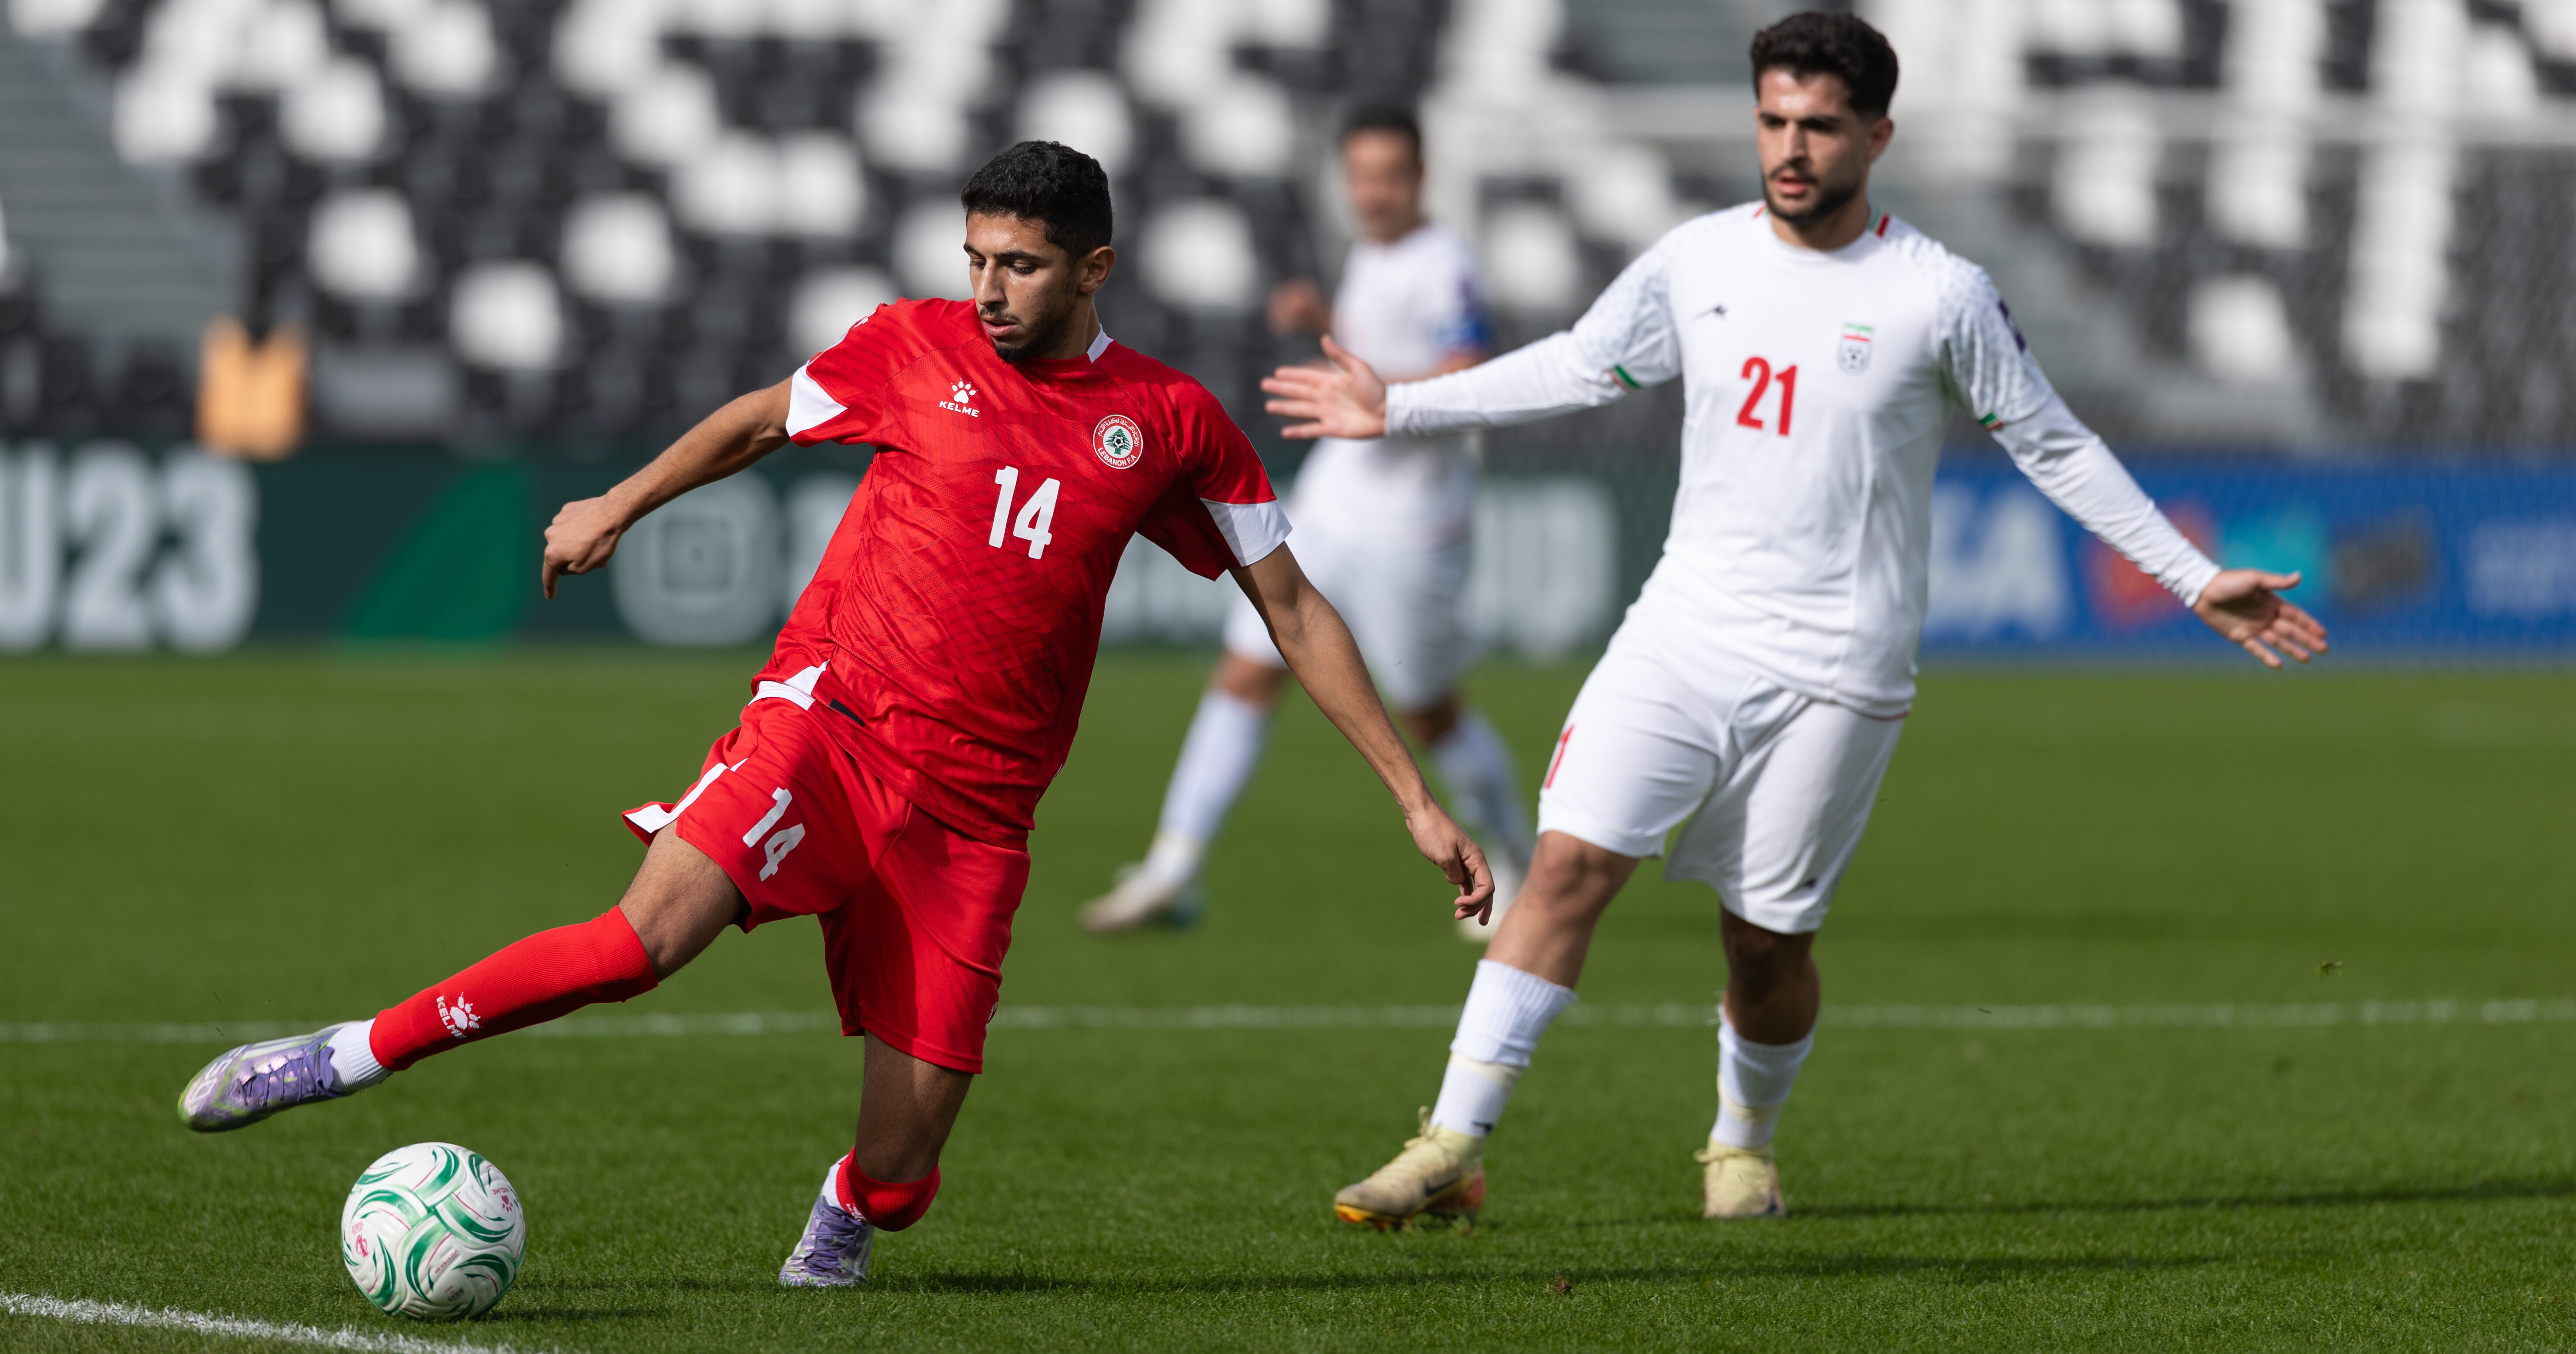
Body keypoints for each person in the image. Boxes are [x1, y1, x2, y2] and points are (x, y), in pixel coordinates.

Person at [174, 142, 1493, 1284]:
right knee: (639, 944)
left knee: (904, 1177)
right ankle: (342, 1056)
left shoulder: (1170, 423)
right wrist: (615, 505)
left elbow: (1294, 607)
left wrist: (1414, 795)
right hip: (830, 722)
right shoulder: (911, 345)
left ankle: (846, 1205)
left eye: (1021, 265)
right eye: (976, 256)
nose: (987, 287)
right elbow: (757, 422)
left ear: (1096, 269)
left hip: (977, 810)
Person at [1263, 12, 2329, 1230]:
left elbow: (2053, 443)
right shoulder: (1697, 260)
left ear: (1875, 134)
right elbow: (1577, 363)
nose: (1790, 147)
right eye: (1773, 119)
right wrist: (1395, 406)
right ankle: (1449, 1142)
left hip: (1840, 666)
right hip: (1682, 630)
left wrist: (2189, 575)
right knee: (1562, 867)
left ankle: (1741, 1145)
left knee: (1763, 946)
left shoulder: (1940, 294)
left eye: (1820, 125)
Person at [1078, 104, 1535, 942]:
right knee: (1247, 669)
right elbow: (1382, 345)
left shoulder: (1446, 264)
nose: (1373, 193)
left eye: (1389, 177)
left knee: (1431, 713)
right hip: (1334, 500)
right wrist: (1323, 314)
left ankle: (1517, 865)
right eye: (1360, 177)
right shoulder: (1371, 252)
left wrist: (1380, 393)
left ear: (1421, 178)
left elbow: (1472, 370)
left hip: (1414, 523)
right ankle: (1173, 867)